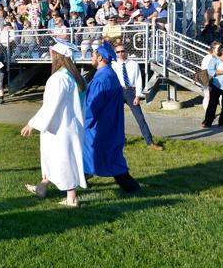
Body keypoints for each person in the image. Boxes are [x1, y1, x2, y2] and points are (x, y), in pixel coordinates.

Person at [20, 41, 87, 207]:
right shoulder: (75, 78)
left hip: (60, 127)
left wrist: (32, 123)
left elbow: (51, 106)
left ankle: (72, 198)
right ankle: (42, 187)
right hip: (70, 125)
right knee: (54, 157)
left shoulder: (58, 78)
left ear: (57, 56)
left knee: (64, 160)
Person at [83, 41, 140, 193]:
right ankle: (76, 182)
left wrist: (80, 121)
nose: (91, 57)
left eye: (93, 55)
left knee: (100, 157)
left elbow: (91, 107)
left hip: (99, 126)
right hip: (110, 124)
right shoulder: (110, 74)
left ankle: (131, 187)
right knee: (107, 157)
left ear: (100, 58)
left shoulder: (101, 79)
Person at [112, 41, 163, 150]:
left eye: (122, 51)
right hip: (118, 92)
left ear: (126, 51)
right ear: (115, 53)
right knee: (118, 119)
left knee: (140, 118)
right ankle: (122, 141)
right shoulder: (113, 65)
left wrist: (138, 96)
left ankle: (150, 142)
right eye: (118, 52)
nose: (121, 53)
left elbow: (139, 80)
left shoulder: (133, 64)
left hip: (131, 92)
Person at [203, 45, 223, 129]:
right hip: (216, 85)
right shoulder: (215, 60)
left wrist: (221, 71)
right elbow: (210, 71)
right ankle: (208, 122)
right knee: (212, 104)